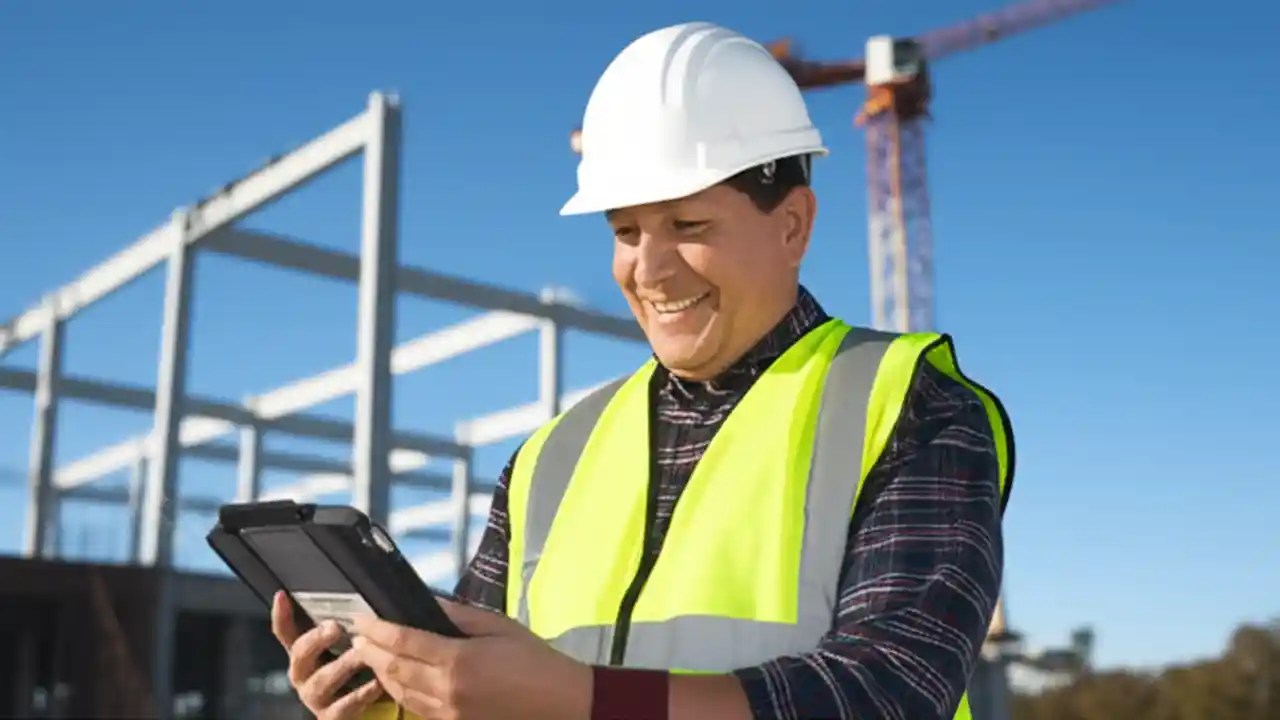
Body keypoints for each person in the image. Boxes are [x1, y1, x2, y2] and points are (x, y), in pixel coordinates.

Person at [271, 20, 1014, 720]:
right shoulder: (551, 457)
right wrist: (394, 697)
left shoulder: (909, 406)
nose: (649, 269)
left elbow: (890, 690)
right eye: (625, 231)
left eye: (689, 226)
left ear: (793, 225)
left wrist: (587, 699)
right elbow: (491, 693)